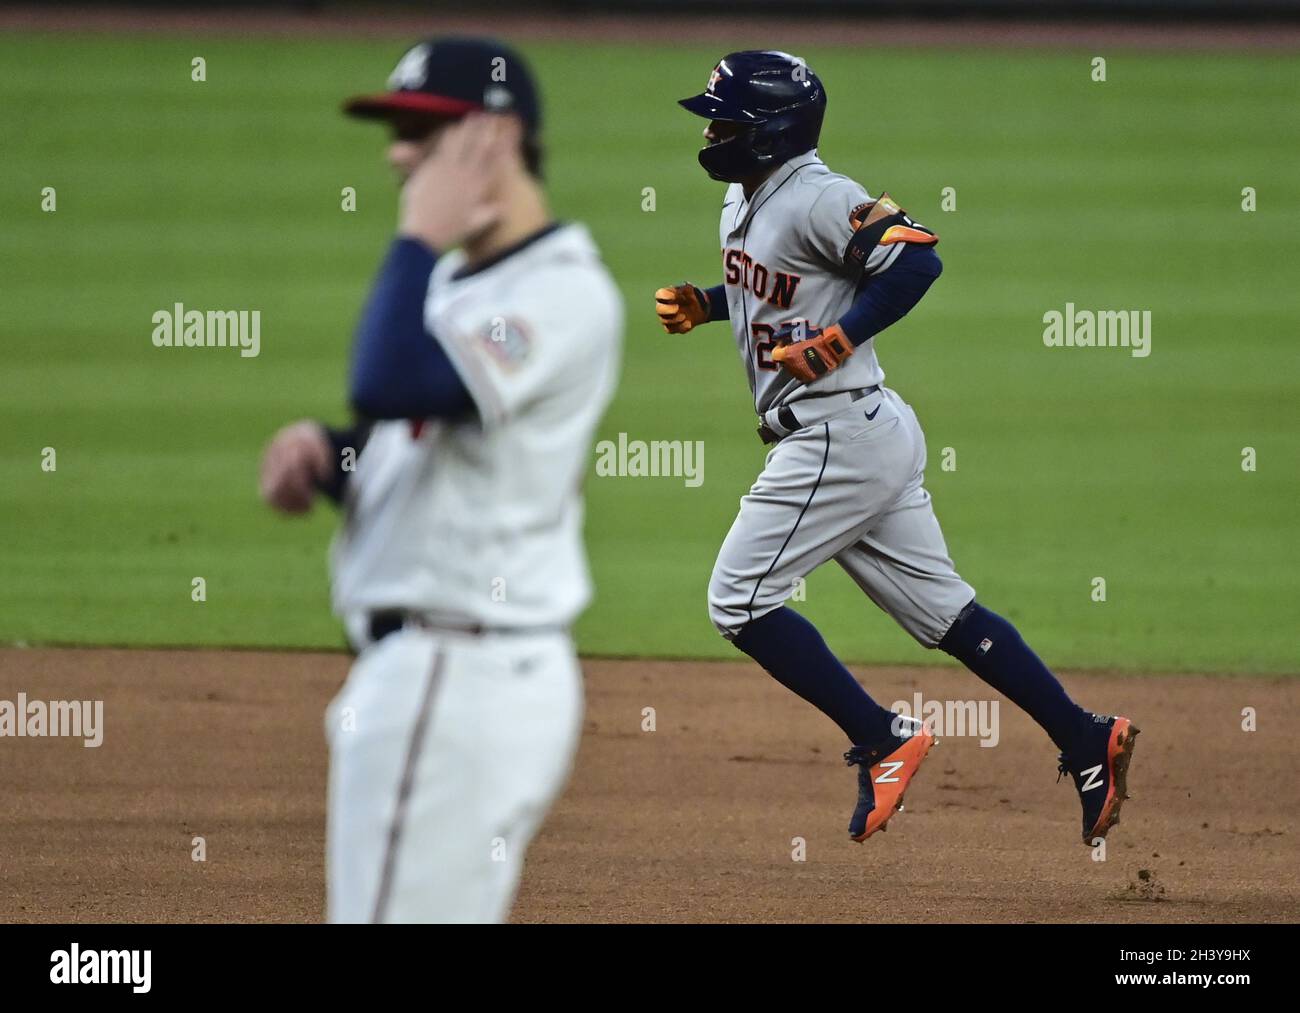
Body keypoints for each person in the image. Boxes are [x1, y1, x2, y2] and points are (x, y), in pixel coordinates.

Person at [655, 50, 1136, 846]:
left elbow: (918, 260)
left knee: (737, 601)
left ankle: (883, 738)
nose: (711, 133)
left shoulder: (820, 196)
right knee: (947, 614)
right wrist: (707, 304)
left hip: (835, 435)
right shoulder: (747, 200)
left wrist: (840, 339)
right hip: (864, 432)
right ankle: (1086, 737)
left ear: (771, 133)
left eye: (725, 120)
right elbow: (783, 286)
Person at [259, 36, 622, 921]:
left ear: (494, 137)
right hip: (450, 671)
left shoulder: (560, 290)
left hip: (458, 674)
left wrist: (417, 236)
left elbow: (392, 381)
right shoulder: (466, 279)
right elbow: (418, 437)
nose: (397, 156)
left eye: (420, 134)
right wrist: (333, 453)